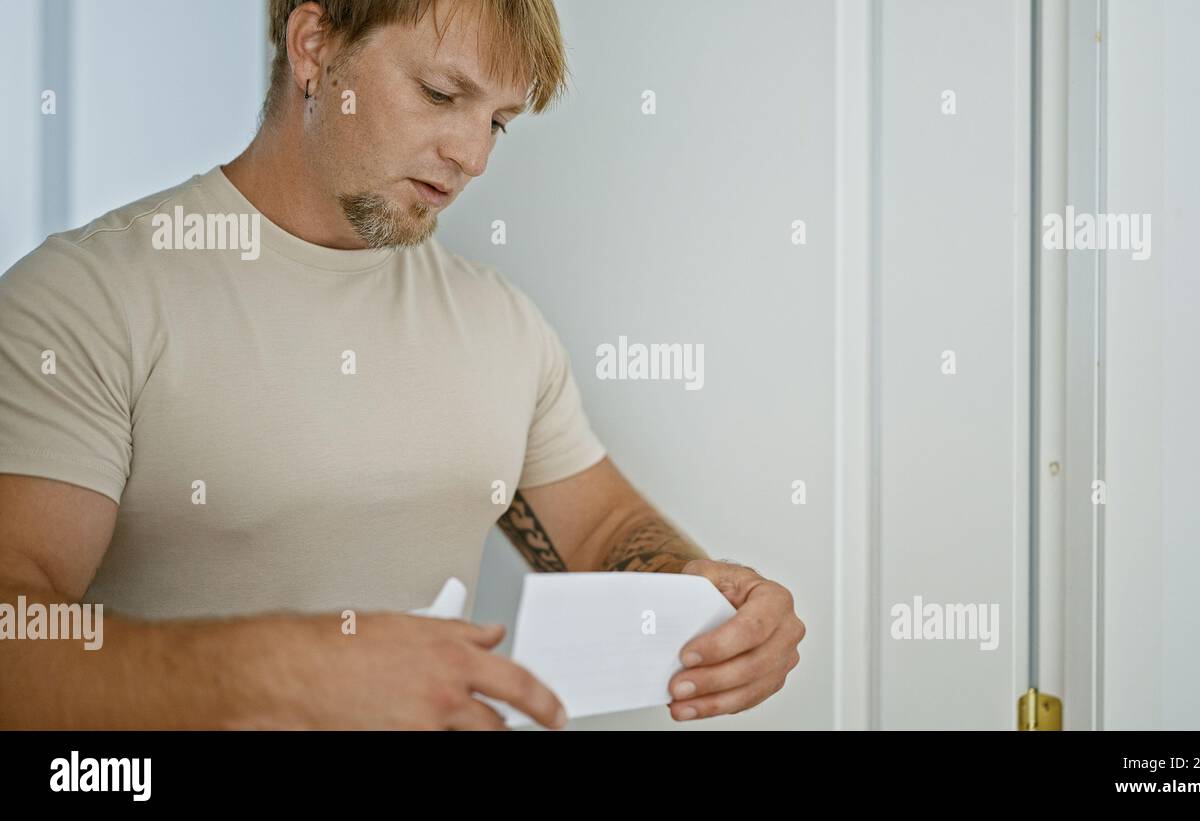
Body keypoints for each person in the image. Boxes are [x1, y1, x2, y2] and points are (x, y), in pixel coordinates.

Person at [0, 0, 804, 729]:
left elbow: (605, 531)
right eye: (441, 94)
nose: (472, 156)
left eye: (498, 121)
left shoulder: (501, 323)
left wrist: (707, 598)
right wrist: (290, 671)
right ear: (314, 45)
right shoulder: (87, 297)